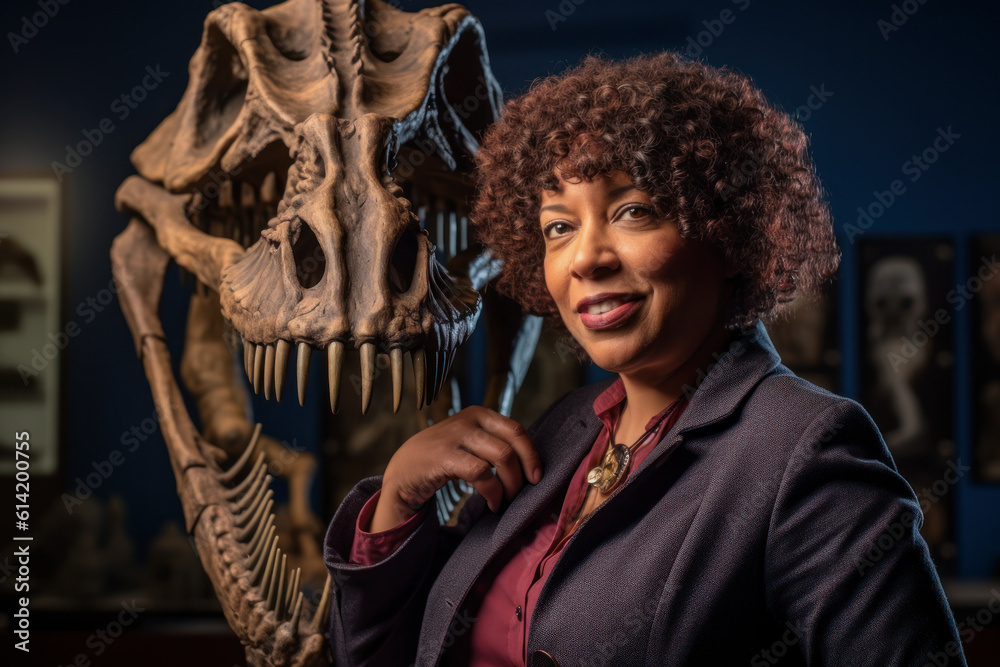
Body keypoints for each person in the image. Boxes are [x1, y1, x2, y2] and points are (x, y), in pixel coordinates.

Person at [323, 51, 965, 666]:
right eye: (558, 226)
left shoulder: (805, 451)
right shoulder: (557, 432)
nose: (585, 258)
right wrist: (396, 499)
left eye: (633, 211)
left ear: (727, 231)